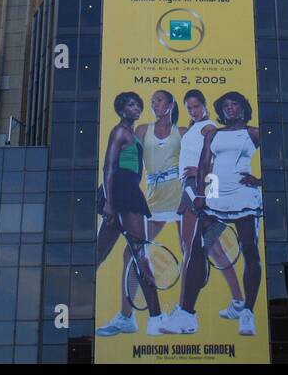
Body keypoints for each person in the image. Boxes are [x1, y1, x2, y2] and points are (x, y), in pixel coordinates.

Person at [162, 91, 262, 336]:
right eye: (225, 105)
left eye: (234, 104)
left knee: (249, 250)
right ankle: (187, 314)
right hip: (215, 197)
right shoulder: (213, 134)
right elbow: (206, 165)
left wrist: (260, 180)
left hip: (243, 196)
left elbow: (282, 157)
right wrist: (201, 194)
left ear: (243, 107)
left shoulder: (252, 132)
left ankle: (247, 312)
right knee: (195, 247)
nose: (229, 108)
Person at [108, 90, 182, 329]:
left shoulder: (184, 132)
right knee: (132, 254)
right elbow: (126, 159)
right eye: (151, 102)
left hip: (179, 198)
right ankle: (127, 316)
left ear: (170, 104)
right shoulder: (140, 130)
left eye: (158, 101)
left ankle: (183, 312)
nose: (153, 106)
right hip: (152, 199)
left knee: (192, 254)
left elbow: (206, 155)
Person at [94, 92, 165, 336]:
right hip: (121, 194)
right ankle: (156, 317)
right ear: (121, 109)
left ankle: (129, 319)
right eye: (130, 104)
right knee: (139, 254)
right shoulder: (120, 132)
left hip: (127, 192)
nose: (136, 108)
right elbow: (108, 166)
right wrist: (110, 204)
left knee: (101, 252)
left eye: (138, 104)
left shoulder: (132, 134)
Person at [176, 89, 245, 319]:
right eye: (189, 108)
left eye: (196, 106)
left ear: (205, 105)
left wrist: (200, 171)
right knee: (213, 249)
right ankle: (238, 302)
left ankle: (184, 311)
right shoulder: (196, 129)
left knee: (190, 247)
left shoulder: (209, 128)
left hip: (199, 185)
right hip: (194, 185)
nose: (193, 111)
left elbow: (221, 158)